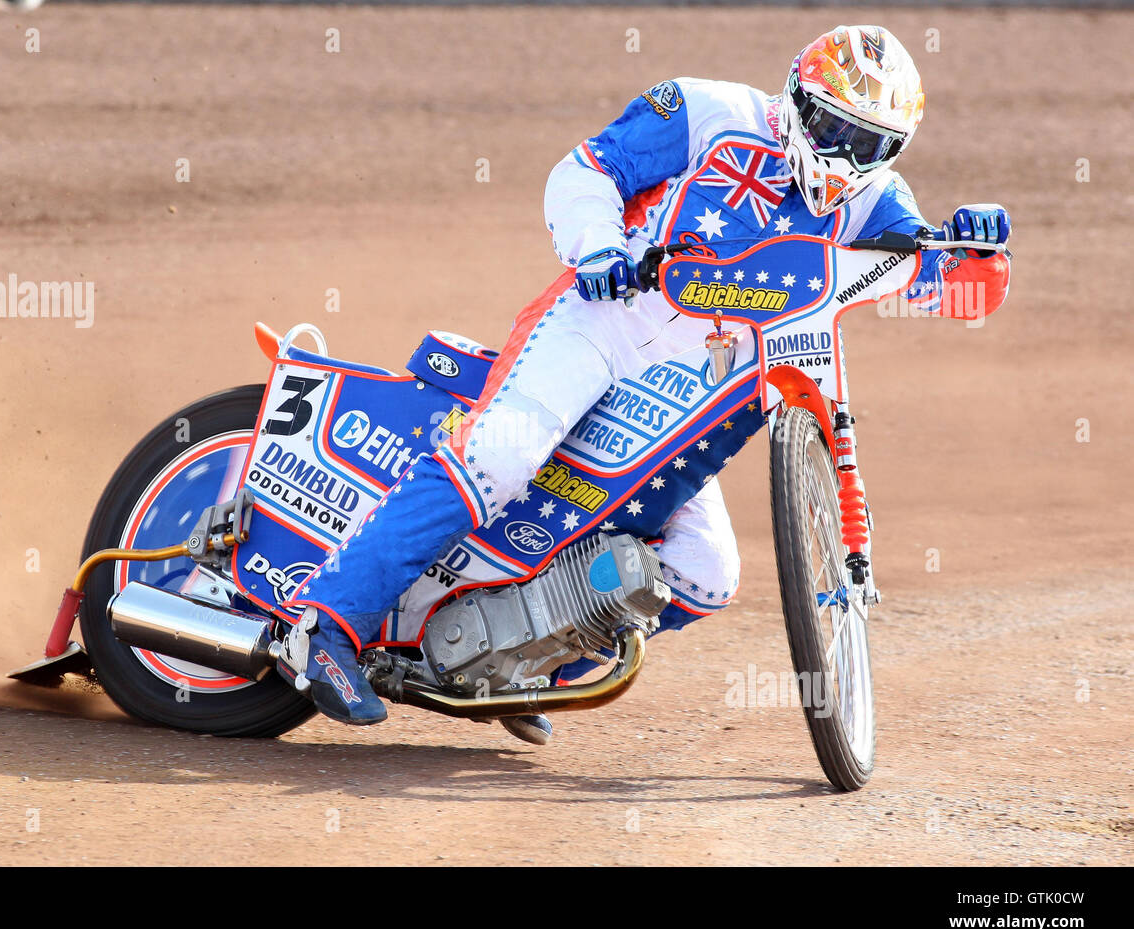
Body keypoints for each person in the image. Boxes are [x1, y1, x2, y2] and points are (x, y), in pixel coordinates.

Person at [276, 25, 1012, 731]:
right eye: (831, 128)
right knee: (499, 456)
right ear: (796, 97)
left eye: (870, 144)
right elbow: (586, 170)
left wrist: (982, 255)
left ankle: (519, 664)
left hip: (689, 393)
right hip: (600, 323)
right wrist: (596, 249)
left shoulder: (878, 202)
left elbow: (947, 287)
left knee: (708, 572)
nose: (845, 156)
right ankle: (322, 624)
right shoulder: (707, 110)